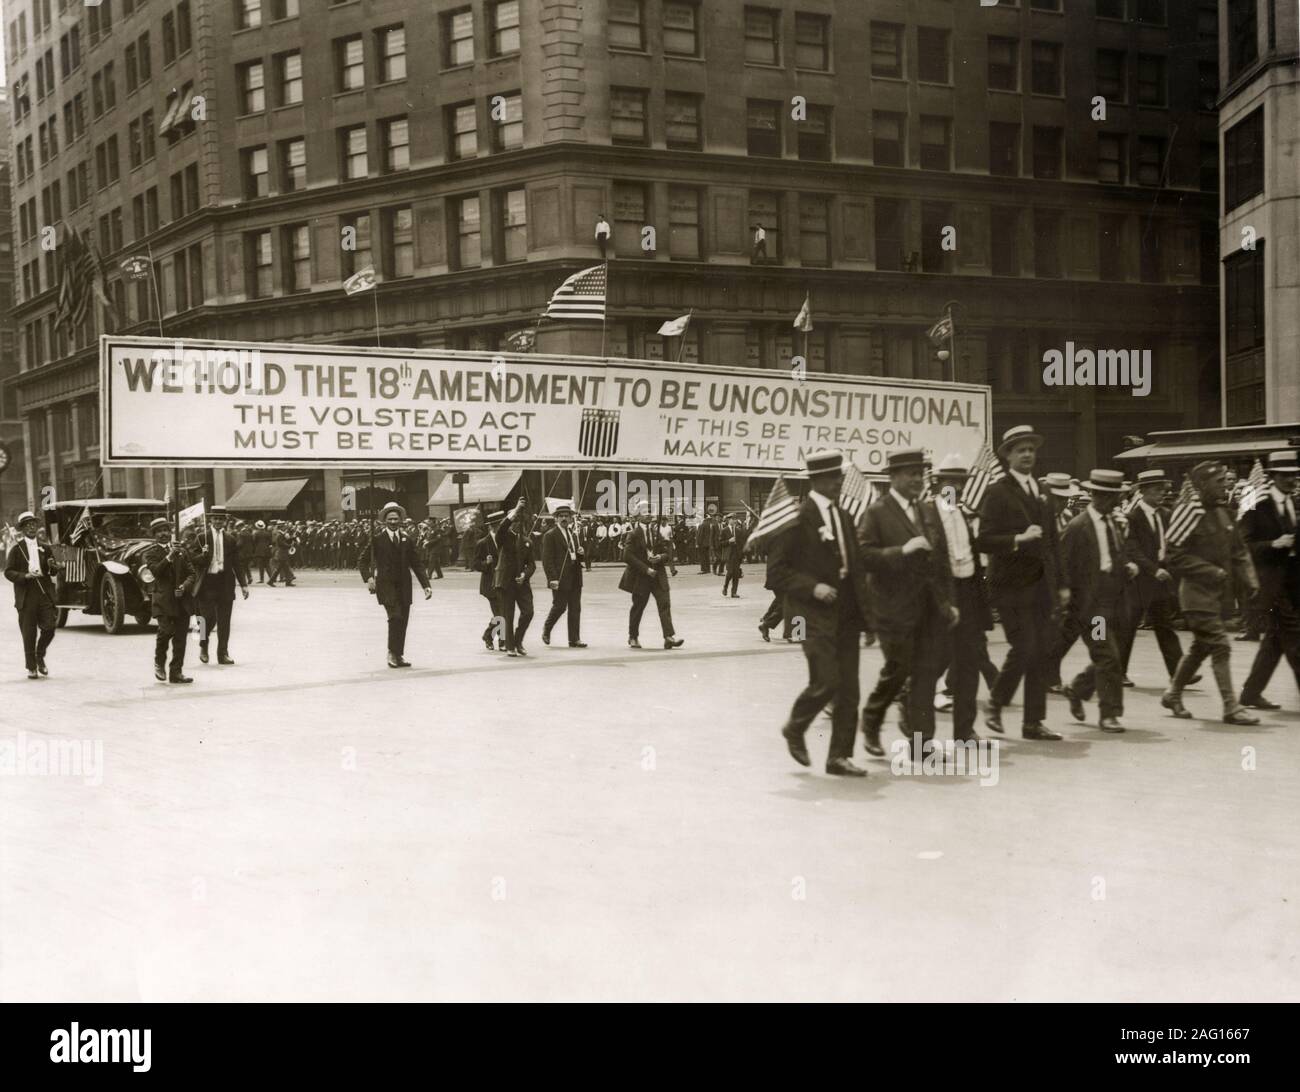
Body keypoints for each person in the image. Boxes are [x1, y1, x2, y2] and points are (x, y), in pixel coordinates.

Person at [767, 450, 871, 777]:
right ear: (816, 480)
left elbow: (856, 571)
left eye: (840, 476)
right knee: (826, 679)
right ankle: (795, 727)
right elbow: (776, 572)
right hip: (806, 615)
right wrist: (813, 587)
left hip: (846, 615)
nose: (839, 482)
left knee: (850, 689)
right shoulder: (797, 518)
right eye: (832, 477)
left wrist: (867, 619)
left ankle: (838, 756)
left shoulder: (844, 517)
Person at [857, 449, 956, 762]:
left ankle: (921, 743)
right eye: (911, 473)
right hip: (891, 608)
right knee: (898, 671)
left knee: (925, 675)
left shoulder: (927, 510)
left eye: (920, 473)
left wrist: (948, 602)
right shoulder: (877, 512)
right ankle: (871, 720)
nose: (918, 479)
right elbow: (863, 556)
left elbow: (940, 559)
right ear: (894, 477)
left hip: (927, 608)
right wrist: (902, 550)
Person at [977, 425, 1069, 741]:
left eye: (1031, 449)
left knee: (1039, 651)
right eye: (1020, 450)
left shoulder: (1043, 492)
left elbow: (1053, 542)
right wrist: (1018, 539)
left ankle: (1033, 722)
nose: (1027, 454)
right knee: (1025, 645)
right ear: (1008, 456)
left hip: (1041, 586)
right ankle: (996, 701)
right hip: (1010, 586)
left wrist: (1062, 584)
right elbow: (984, 539)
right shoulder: (997, 491)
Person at [1161, 461, 1261, 724]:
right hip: (1196, 596)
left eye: (1225, 480)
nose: (1224, 485)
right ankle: (1231, 707)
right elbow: (1173, 556)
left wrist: (1250, 579)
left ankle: (1173, 693)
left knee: (1200, 648)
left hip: (1217, 597)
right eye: (1218, 481)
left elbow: (1239, 551)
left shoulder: (1224, 512)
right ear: (1202, 484)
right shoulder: (1189, 512)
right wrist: (1209, 571)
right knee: (1220, 645)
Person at [1059, 470, 1137, 733]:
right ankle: (1109, 714)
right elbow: (1062, 565)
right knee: (1107, 656)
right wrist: (1068, 598)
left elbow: (1114, 554)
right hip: (1092, 607)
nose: (1114, 501)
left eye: (1116, 496)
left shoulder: (1113, 522)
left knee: (1110, 654)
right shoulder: (1077, 526)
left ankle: (1077, 688)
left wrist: (1126, 566)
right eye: (1109, 496)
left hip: (1115, 599)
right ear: (1096, 495)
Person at [930, 456, 993, 747]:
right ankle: (910, 702)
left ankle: (965, 731)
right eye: (950, 482)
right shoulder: (927, 514)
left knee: (968, 663)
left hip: (967, 592)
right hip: (941, 595)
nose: (956, 487)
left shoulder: (964, 515)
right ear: (938, 483)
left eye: (960, 482)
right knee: (935, 659)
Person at [1238, 450, 1300, 710]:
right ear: (1272, 476)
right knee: (1295, 639)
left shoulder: (1293, 502)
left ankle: (1251, 693)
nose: (1291, 480)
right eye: (1285, 475)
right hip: (1270, 584)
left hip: (1293, 584)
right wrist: (1273, 544)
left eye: (1294, 475)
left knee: (1274, 642)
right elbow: (1243, 546)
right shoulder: (1256, 502)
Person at [1123, 468, 1188, 683]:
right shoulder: (1132, 517)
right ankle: (1118, 672)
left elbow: (1170, 543)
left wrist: (1167, 565)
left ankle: (1178, 673)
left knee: (1165, 626)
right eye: (1157, 490)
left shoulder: (1165, 515)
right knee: (1128, 627)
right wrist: (1153, 569)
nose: (1162, 493)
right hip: (1140, 580)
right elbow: (1132, 550)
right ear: (1143, 491)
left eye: (1163, 489)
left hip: (1161, 579)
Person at [358, 502, 432, 668]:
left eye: (395, 519)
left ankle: (399, 654)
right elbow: (362, 561)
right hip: (386, 586)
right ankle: (391, 652)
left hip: (404, 586)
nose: (393, 522)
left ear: (400, 520)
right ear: (385, 520)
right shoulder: (377, 539)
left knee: (403, 620)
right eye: (390, 519)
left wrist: (426, 585)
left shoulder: (407, 539)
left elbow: (417, 564)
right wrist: (369, 578)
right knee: (395, 617)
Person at [4, 510, 62, 679]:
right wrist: (25, 576)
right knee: (29, 634)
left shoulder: (46, 548)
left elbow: (52, 571)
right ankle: (31, 667)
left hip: (44, 592)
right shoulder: (16, 550)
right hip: (26, 595)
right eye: (27, 525)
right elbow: (8, 572)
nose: (31, 527)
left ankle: (39, 655)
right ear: (22, 529)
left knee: (50, 628)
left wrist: (53, 566)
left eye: (33, 524)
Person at [620, 500, 684, 650]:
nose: (648, 514)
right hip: (641, 577)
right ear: (638, 516)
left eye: (650, 511)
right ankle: (633, 636)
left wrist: (660, 557)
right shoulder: (633, 534)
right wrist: (646, 569)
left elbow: (666, 552)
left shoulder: (656, 532)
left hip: (658, 576)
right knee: (638, 607)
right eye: (644, 512)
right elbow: (627, 556)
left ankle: (668, 637)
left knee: (664, 604)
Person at [144, 516, 195, 684]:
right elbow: (156, 571)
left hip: (181, 601)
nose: (163, 534)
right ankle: (159, 663)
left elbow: (192, 573)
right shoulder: (150, 553)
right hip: (163, 601)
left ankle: (176, 672)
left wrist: (184, 586)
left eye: (166, 530)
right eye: (159, 531)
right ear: (154, 535)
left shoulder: (182, 551)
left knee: (180, 638)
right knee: (165, 632)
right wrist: (170, 557)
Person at [196, 505, 249, 666]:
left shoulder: (230, 539)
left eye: (221, 519)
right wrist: (202, 555)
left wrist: (243, 584)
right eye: (215, 518)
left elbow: (237, 563)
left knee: (224, 620)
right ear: (210, 520)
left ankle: (223, 653)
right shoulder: (202, 537)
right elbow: (191, 558)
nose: (218, 521)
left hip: (225, 583)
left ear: (225, 521)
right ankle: (203, 645)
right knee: (206, 618)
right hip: (207, 583)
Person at [493, 498, 535, 657]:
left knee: (528, 612)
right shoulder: (504, 538)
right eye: (515, 520)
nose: (517, 523)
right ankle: (510, 646)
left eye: (519, 521)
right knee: (508, 615)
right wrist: (516, 510)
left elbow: (532, 564)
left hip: (521, 583)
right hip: (506, 582)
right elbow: (501, 529)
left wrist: (525, 574)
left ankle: (518, 640)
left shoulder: (527, 541)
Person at [541, 504, 587, 648]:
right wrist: (552, 578)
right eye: (561, 516)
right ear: (556, 518)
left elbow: (576, 556)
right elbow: (547, 560)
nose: (564, 518)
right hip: (560, 577)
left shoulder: (573, 534)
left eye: (566, 516)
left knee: (575, 608)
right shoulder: (550, 535)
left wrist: (581, 553)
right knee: (560, 606)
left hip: (575, 576)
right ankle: (547, 628)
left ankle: (574, 639)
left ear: (571, 518)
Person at [475, 512, 505, 651]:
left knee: (502, 613)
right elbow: (475, 564)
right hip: (490, 584)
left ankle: (488, 636)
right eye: (497, 526)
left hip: (504, 582)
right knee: (500, 613)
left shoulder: (505, 540)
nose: (499, 528)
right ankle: (502, 641)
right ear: (491, 527)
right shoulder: (483, 543)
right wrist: (485, 563)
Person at [722, 514, 748, 597]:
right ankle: (725, 587)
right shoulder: (724, 530)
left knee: (736, 574)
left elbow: (741, 544)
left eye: (735, 519)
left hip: (737, 555)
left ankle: (734, 592)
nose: (734, 521)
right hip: (729, 555)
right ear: (728, 520)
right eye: (732, 519)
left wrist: (742, 555)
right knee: (730, 572)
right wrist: (728, 541)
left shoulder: (738, 531)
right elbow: (720, 543)